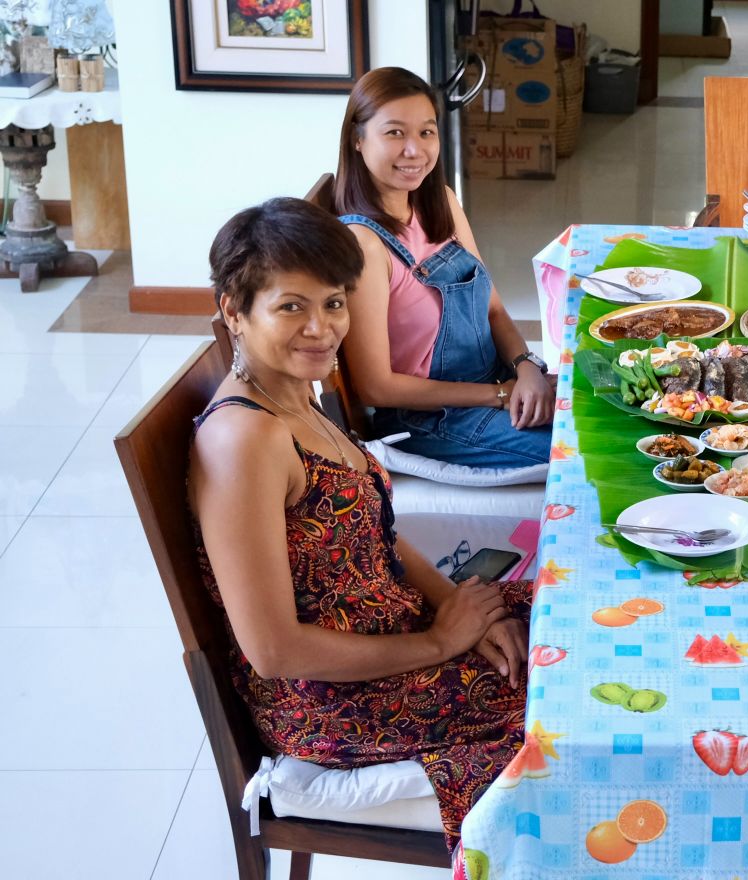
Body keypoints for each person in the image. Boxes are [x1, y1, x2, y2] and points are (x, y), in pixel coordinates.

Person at [190, 198, 531, 847]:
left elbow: (375, 527)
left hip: (393, 632)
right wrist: (439, 643)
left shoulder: (296, 394)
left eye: (335, 302)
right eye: (292, 306)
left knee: (563, 623)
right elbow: (273, 651)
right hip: (334, 701)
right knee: (574, 705)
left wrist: (461, 609)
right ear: (235, 310)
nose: (321, 328)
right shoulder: (245, 440)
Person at [334, 66, 553, 471]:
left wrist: (527, 366)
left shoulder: (441, 202)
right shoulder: (363, 244)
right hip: (431, 419)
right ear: (358, 139)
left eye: (426, 132)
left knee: (614, 413)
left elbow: (493, 309)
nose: (414, 150)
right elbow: (375, 386)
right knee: (584, 453)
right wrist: (500, 394)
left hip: (495, 379)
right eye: (395, 132)